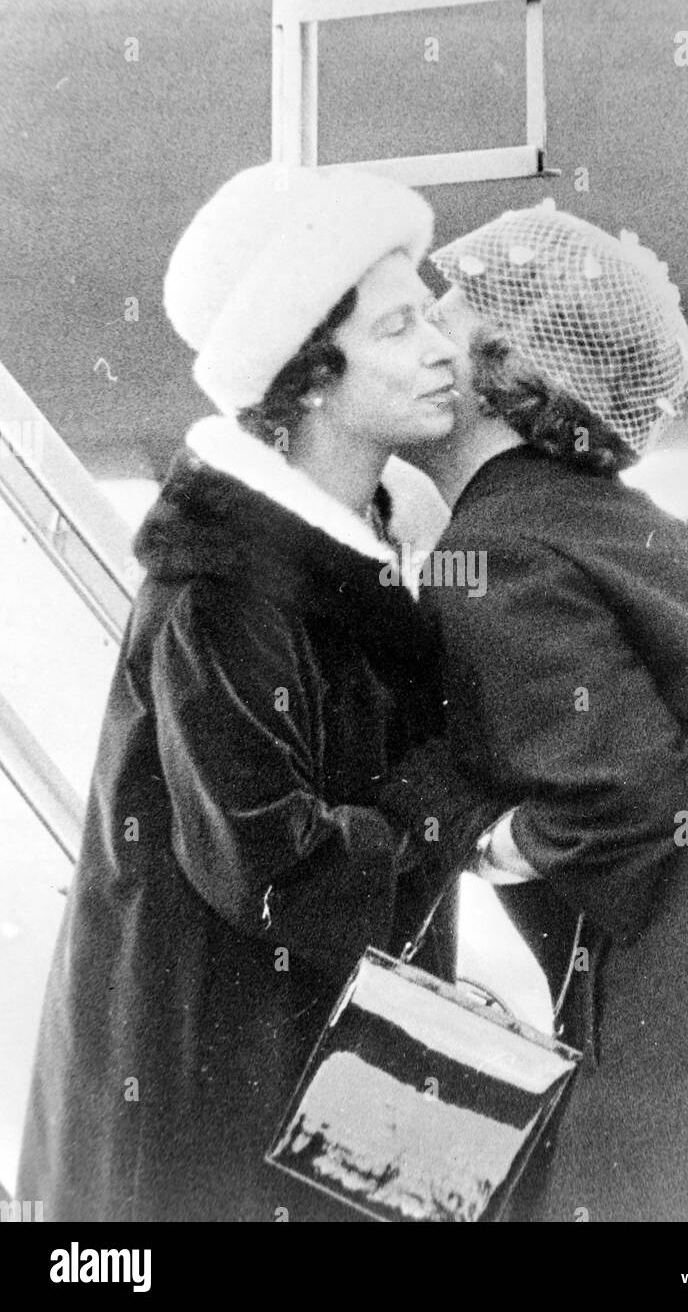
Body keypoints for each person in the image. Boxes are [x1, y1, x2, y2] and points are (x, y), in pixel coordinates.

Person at [16, 164, 498, 1223]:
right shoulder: (225, 589)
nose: (442, 350)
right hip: (204, 1087)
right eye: (398, 328)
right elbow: (269, 868)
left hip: (276, 1067)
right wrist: (453, 816)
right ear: (311, 374)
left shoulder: (354, 547)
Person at [390, 200, 688, 1221]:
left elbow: (612, 809)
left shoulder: (500, 544)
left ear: (498, 359)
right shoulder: (596, 517)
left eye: (439, 312)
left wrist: (470, 843)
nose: (419, 339)